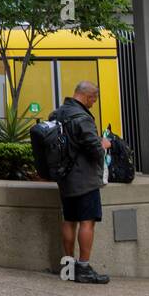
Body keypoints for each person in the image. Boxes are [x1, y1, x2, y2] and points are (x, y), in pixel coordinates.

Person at [51, 81, 111, 284]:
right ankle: (83, 268)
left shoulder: (57, 114)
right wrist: (104, 144)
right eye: (94, 99)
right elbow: (94, 149)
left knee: (69, 220)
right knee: (87, 221)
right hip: (84, 178)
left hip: (65, 177)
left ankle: (68, 268)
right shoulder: (82, 117)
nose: (94, 103)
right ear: (87, 96)